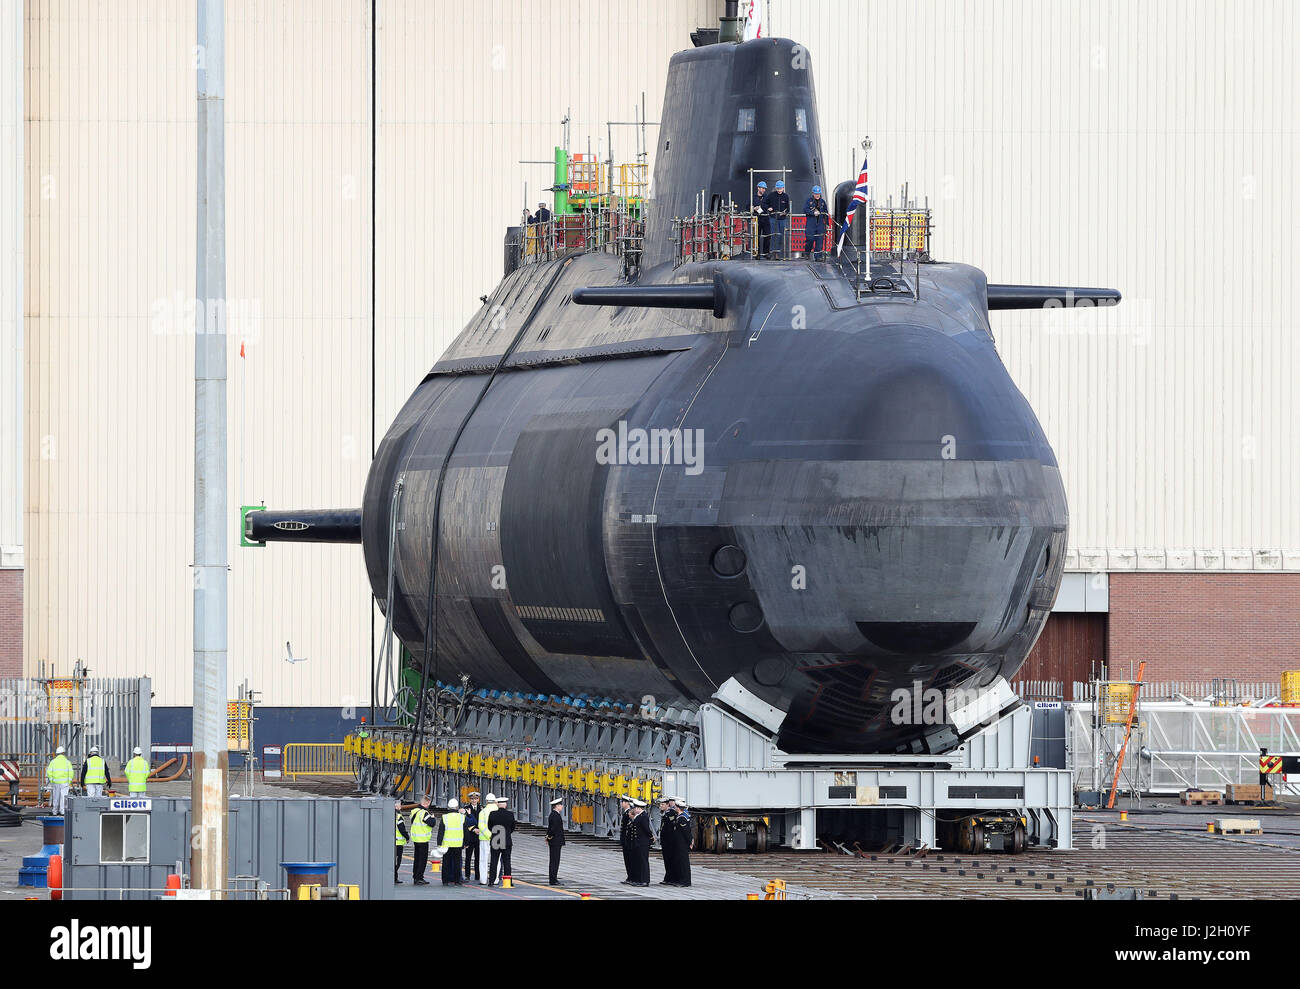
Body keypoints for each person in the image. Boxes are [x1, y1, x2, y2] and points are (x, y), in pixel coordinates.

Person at [487, 795, 515, 886]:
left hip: (495, 839)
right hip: (506, 840)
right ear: (505, 805)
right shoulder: (510, 814)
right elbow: (512, 827)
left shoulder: (492, 814)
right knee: (507, 862)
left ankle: (491, 881)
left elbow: (489, 826)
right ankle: (508, 882)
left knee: (494, 861)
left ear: (497, 804)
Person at [436, 797, 465, 885]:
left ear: (448, 807)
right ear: (457, 807)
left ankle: (445, 881)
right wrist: (466, 843)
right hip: (458, 844)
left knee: (446, 863)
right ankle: (457, 880)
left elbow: (441, 831)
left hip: (446, 844)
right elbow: (465, 831)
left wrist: (439, 843)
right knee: (457, 863)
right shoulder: (462, 817)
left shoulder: (444, 817)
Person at [626, 799, 654, 886]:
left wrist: (651, 836)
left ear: (638, 808)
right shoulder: (639, 816)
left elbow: (646, 829)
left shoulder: (643, 816)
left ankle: (645, 880)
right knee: (638, 861)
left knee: (643, 862)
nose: (633, 810)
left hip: (642, 843)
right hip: (638, 842)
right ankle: (639, 879)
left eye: (634, 808)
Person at [409, 794, 435, 885]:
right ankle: (419, 877)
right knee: (422, 860)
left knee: (417, 859)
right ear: (427, 802)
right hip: (423, 839)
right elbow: (432, 823)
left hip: (416, 839)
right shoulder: (424, 813)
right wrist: (432, 817)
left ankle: (415, 876)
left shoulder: (414, 811)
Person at [763, 179, 791, 259]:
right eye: (778, 189)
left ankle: (778, 253)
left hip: (782, 219)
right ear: (776, 188)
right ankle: (772, 252)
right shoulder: (771, 195)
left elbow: (788, 208)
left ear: (783, 188)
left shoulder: (786, 196)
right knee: (773, 235)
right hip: (773, 218)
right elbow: (765, 204)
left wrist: (785, 213)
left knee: (780, 236)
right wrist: (769, 208)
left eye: (780, 188)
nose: (779, 190)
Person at [669, 797, 692, 887]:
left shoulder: (682, 818)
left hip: (682, 844)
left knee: (683, 863)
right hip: (679, 843)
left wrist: (690, 842)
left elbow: (686, 832)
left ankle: (685, 881)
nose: (674, 808)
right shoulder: (679, 817)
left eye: (675, 807)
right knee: (679, 862)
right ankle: (681, 880)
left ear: (678, 807)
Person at [803, 185, 829, 261]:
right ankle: (807, 253)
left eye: (818, 194)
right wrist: (812, 213)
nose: (817, 195)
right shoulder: (809, 201)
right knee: (810, 239)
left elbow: (826, 213)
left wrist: (827, 223)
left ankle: (818, 256)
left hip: (820, 224)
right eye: (815, 193)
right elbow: (805, 210)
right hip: (811, 224)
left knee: (819, 240)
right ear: (813, 193)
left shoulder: (822, 202)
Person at [46, 745, 73, 814]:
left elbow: (49, 772)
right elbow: (71, 773)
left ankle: (55, 811)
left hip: (55, 782)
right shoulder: (67, 762)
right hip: (65, 783)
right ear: (63, 753)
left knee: (56, 797)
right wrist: (69, 781)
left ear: (57, 754)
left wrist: (52, 780)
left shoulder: (53, 762)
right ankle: (62, 811)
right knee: (63, 798)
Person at [657, 797, 678, 885]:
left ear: (667, 805)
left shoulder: (671, 813)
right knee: (667, 860)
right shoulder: (666, 813)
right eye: (660, 804)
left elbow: (670, 829)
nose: (660, 806)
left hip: (669, 841)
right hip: (665, 841)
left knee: (670, 860)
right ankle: (668, 877)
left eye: (662, 804)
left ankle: (671, 878)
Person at [477, 793, 497, 883]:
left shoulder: (483, 812)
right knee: (496, 860)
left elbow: (481, 825)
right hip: (497, 839)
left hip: (485, 839)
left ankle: (483, 879)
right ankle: (495, 879)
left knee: (483, 859)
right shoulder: (497, 810)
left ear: (486, 801)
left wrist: (489, 835)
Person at [462, 790, 482, 881]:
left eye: (476, 799)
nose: (474, 800)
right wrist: (473, 829)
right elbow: (465, 822)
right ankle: (467, 875)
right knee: (468, 857)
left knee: (478, 857)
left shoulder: (482, 808)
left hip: (479, 836)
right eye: (472, 799)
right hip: (470, 836)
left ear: (478, 799)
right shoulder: (466, 809)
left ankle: (478, 875)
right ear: (470, 800)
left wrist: (479, 829)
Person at [546, 797, 565, 885]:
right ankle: (553, 880)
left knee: (553, 860)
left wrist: (548, 837)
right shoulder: (555, 816)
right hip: (556, 841)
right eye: (561, 805)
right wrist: (549, 836)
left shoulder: (553, 815)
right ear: (557, 806)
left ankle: (553, 878)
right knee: (555, 861)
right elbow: (553, 829)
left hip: (554, 841)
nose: (562, 806)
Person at [617, 794, 634, 884]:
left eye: (622, 802)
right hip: (625, 839)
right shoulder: (626, 813)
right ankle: (629, 877)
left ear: (626, 803)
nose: (621, 804)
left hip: (627, 840)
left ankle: (631, 877)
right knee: (627, 860)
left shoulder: (629, 813)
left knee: (629, 859)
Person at [752, 180, 771, 258]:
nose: (763, 190)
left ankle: (766, 253)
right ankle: (757, 253)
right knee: (757, 236)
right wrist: (753, 208)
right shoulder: (753, 197)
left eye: (764, 189)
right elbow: (747, 206)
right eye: (762, 188)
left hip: (765, 218)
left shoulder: (767, 197)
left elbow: (769, 206)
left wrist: (763, 207)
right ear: (758, 188)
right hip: (757, 219)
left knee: (767, 236)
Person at [394, 800, 409, 884]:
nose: (400, 807)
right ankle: (394, 878)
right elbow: (402, 829)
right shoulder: (398, 817)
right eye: (399, 806)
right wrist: (407, 837)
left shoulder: (389, 815)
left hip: (390, 842)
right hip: (398, 843)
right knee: (397, 862)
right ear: (396, 807)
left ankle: (393, 877)